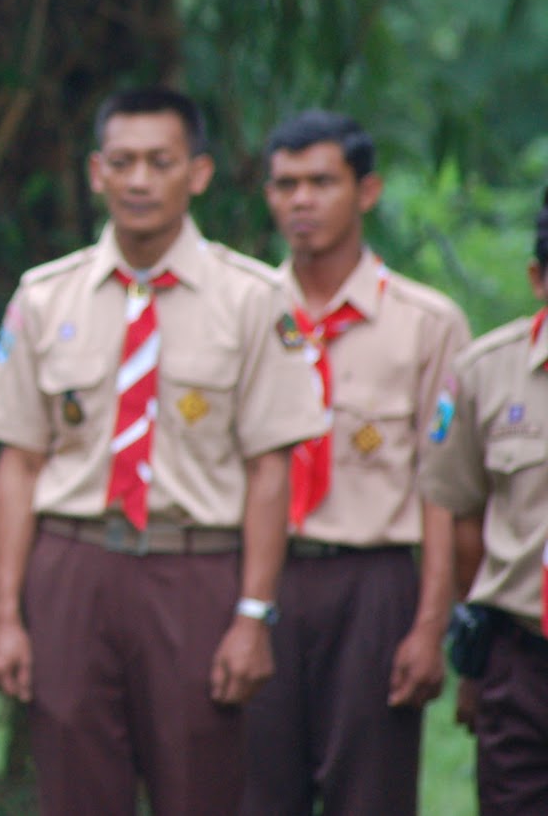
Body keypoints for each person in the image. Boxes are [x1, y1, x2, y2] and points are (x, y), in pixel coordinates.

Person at [0, 88, 329, 816]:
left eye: (159, 162)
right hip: (73, 566)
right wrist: (5, 612)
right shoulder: (44, 297)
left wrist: (253, 613)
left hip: (194, 569)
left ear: (197, 173)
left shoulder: (253, 298)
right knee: (73, 784)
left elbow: (270, 470)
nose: (138, 180)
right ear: (96, 172)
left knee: (200, 781)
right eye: (122, 163)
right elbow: (18, 464)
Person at [241, 111, 470, 815]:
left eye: (321, 182)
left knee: (369, 792)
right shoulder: (242, 308)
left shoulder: (426, 323)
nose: (300, 201)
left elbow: (443, 489)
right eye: (284, 184)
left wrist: (431, 623)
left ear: (366, 191)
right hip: (256, 576)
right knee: (253, 790)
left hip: (369, 581)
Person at [420, 186, 548, 816]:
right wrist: (481, 650)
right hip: (523, 657)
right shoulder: (485, 374)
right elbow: (462, 512)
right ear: (537, 279)